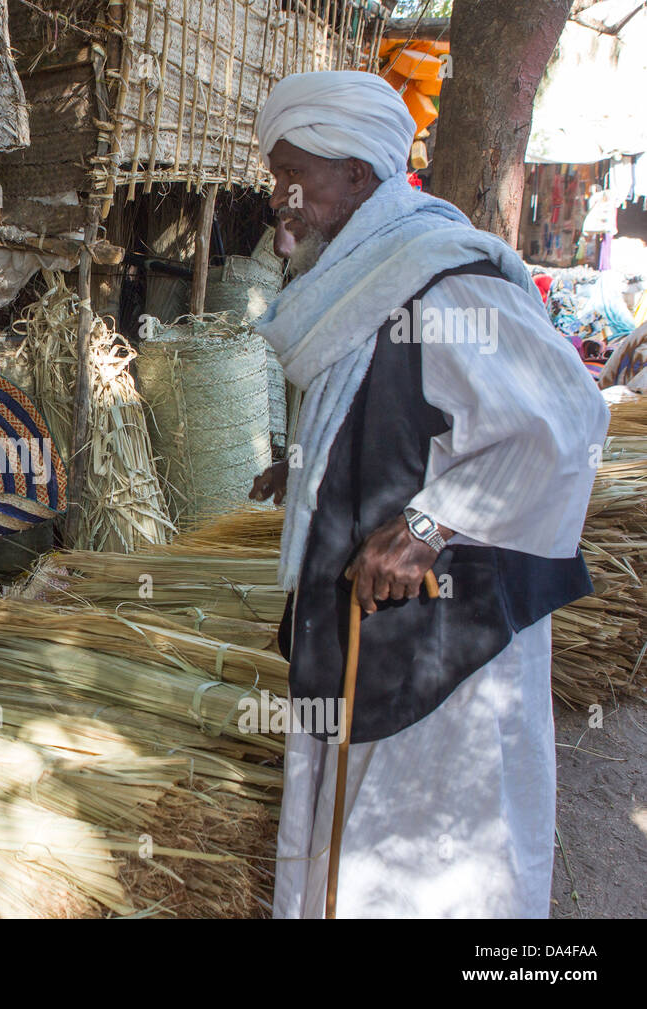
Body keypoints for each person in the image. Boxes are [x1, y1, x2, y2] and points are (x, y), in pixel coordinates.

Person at [246, 71, 609, 918]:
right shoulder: (368, 279)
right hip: (370, 629)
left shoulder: (446, 283)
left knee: (428, 868)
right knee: (354, 856)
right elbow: (395, 416)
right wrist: (310, 469)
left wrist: (423, 524)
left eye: (293, 175)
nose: (279, 199)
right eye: (275, 176)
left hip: (446, 651)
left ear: (358, 178)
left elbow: (560, 422)